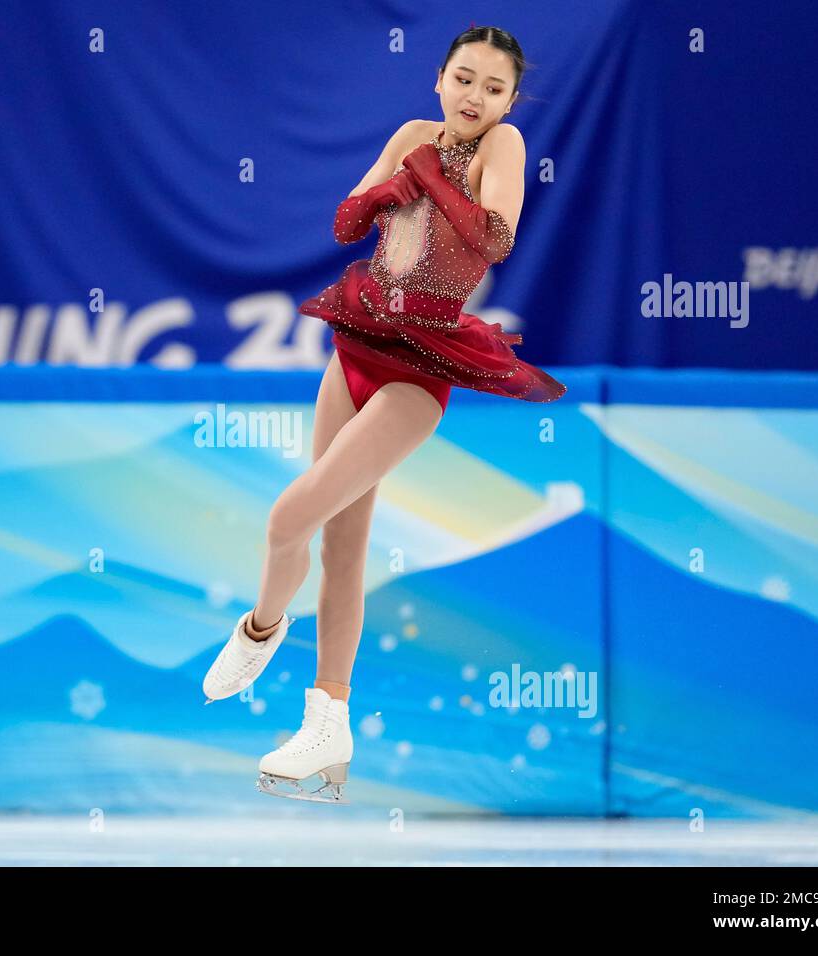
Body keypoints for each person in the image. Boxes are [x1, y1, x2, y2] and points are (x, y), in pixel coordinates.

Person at [203, 25, 566, 803]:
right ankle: (327, 722)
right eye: (464, 79)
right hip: (358, 343)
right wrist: (386, 189)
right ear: (438, 78)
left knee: (286, 517)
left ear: (508, 99)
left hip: (419, 370)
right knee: (339, 544)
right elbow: (344, 225)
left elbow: (493, 238)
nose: (476, 98)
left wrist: (427, 179)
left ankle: (261, 629)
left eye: (493, 88)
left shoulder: (503, 147)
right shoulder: (411, 135)